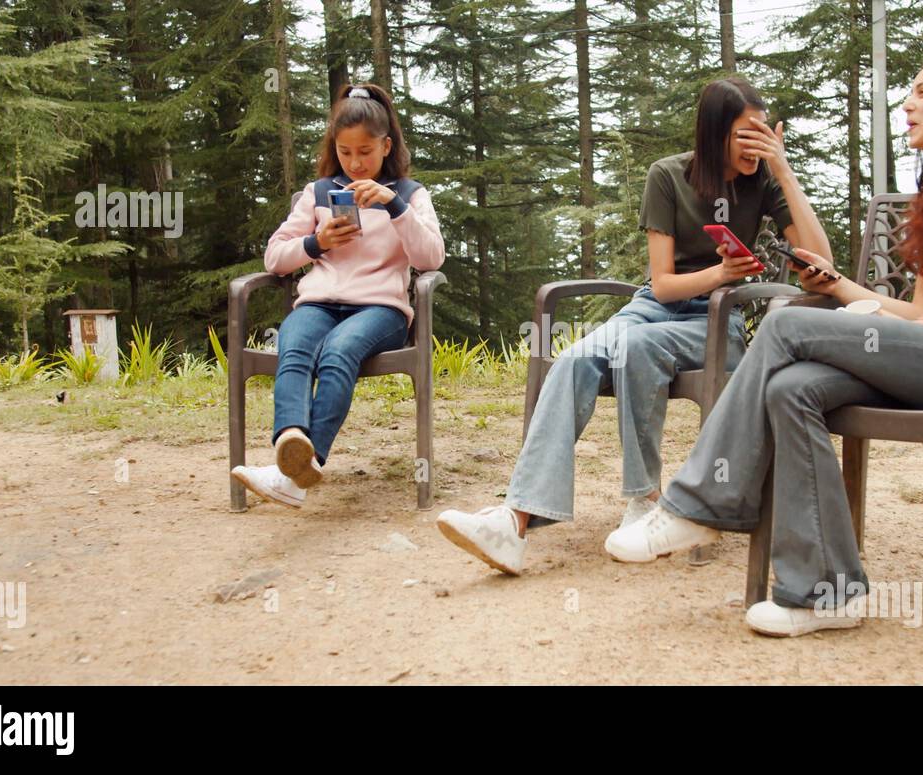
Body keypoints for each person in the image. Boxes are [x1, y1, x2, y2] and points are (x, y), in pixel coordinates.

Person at [601, 54, 923, 638]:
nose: (908, 104)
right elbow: (919, 310)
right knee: (793, 388)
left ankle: (696, 505)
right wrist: (841, 287)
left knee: (786, 325)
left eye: (922, 92)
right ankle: (827, 593)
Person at [436, 76, 832, 575]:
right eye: (744, 134)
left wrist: (784, 168)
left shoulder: (766, 183)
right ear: (713, 134)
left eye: (763, 133)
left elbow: (822, 258)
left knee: (639, 346)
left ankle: (645, 501)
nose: (757, 144)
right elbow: (663, 285)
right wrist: (720, 271)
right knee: (576, 358)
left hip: (717, 324)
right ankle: (513, 522)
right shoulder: (667, 176)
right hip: (654, 307)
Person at [232, 83, 445, 508]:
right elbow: (275, 257)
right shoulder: (319, 193)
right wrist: (317, 242)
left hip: (380, 309)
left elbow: (432, 258)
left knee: (338, 352)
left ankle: (292, 473)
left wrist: (395, 208)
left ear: (386, 146)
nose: (355, 163)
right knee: (294, 345)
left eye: (365, 151)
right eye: (345, 152)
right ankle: (291, 446)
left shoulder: (409, 194)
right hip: (320, 302)